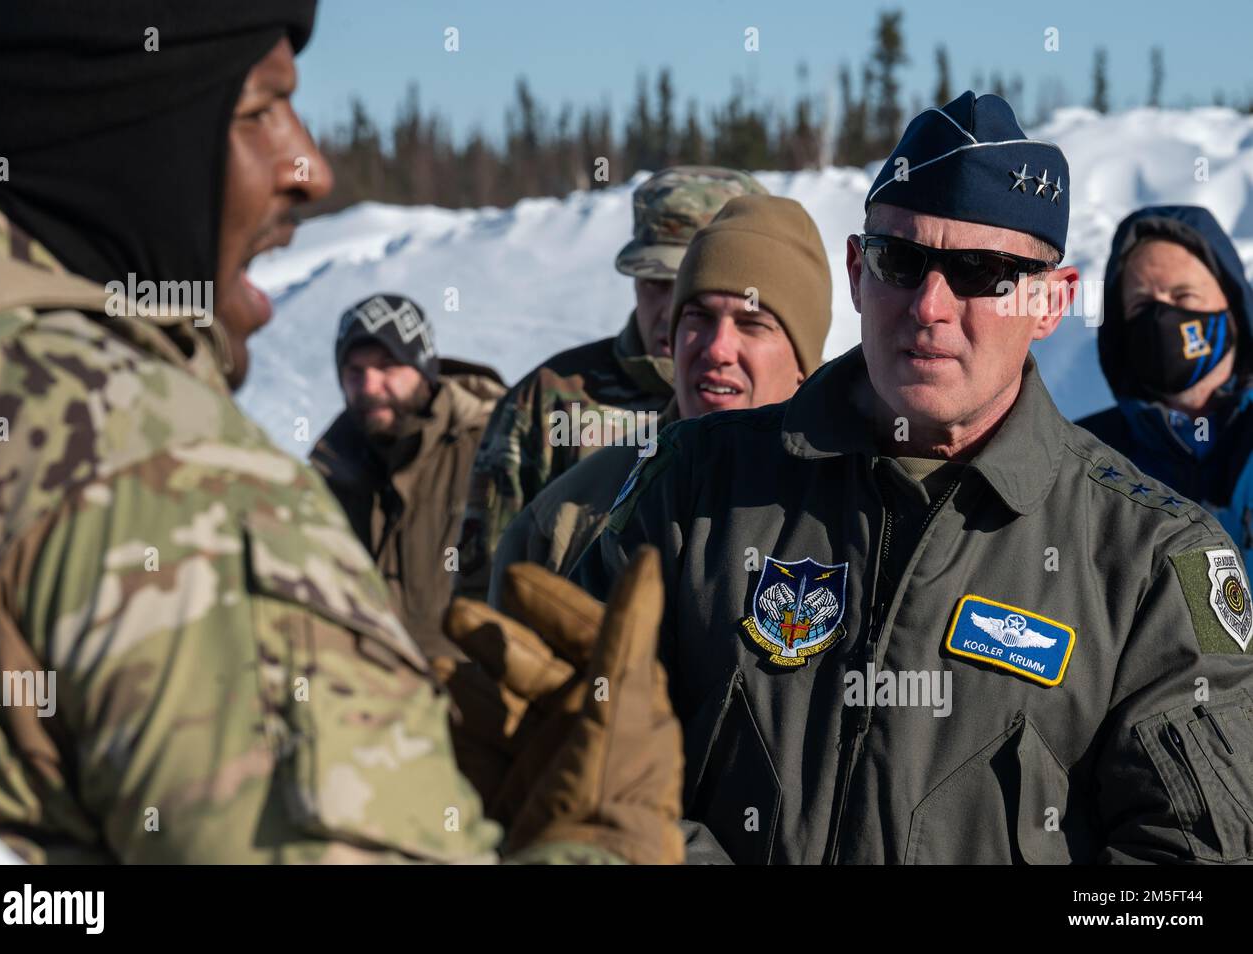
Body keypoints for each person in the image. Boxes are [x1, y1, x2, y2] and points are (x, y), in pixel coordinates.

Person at [0, 1, 681, 865]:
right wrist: (605, 836)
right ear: (113, 131)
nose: (311, 168)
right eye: (257, 109)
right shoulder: (169, 481)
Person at [573, 91, 1253, 864]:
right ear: (860, 271)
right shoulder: (696, 484)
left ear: (1050, 301)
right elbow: (579, 737)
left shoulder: (1148, 559)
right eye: (902, 261)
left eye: (982, 272)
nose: (929, 306)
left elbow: (1193, 863)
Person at [486, 195, 831, 602]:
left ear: (803, 361)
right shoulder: (567, 517)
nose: (717, 348)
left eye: (752, 323)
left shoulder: (856, 505)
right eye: (697, 317)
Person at [458, 165, 767, 594]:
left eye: (689, 287)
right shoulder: (552, 400)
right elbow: (483, 587)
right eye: (654, 283)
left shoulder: (806, 397)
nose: (670, 309)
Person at [311, 293, 505, 657]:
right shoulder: (326, 476)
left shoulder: (496, 448)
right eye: (355, 371)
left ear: (424, 369)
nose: (369, 387)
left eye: (387, 366)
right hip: (369, 701)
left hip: (480, 702)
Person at [1077, 205, 1253, 567]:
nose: (1162, 319)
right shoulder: (1084, 457)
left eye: (1183, 297)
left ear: (1233, 307)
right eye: (1142, 304)